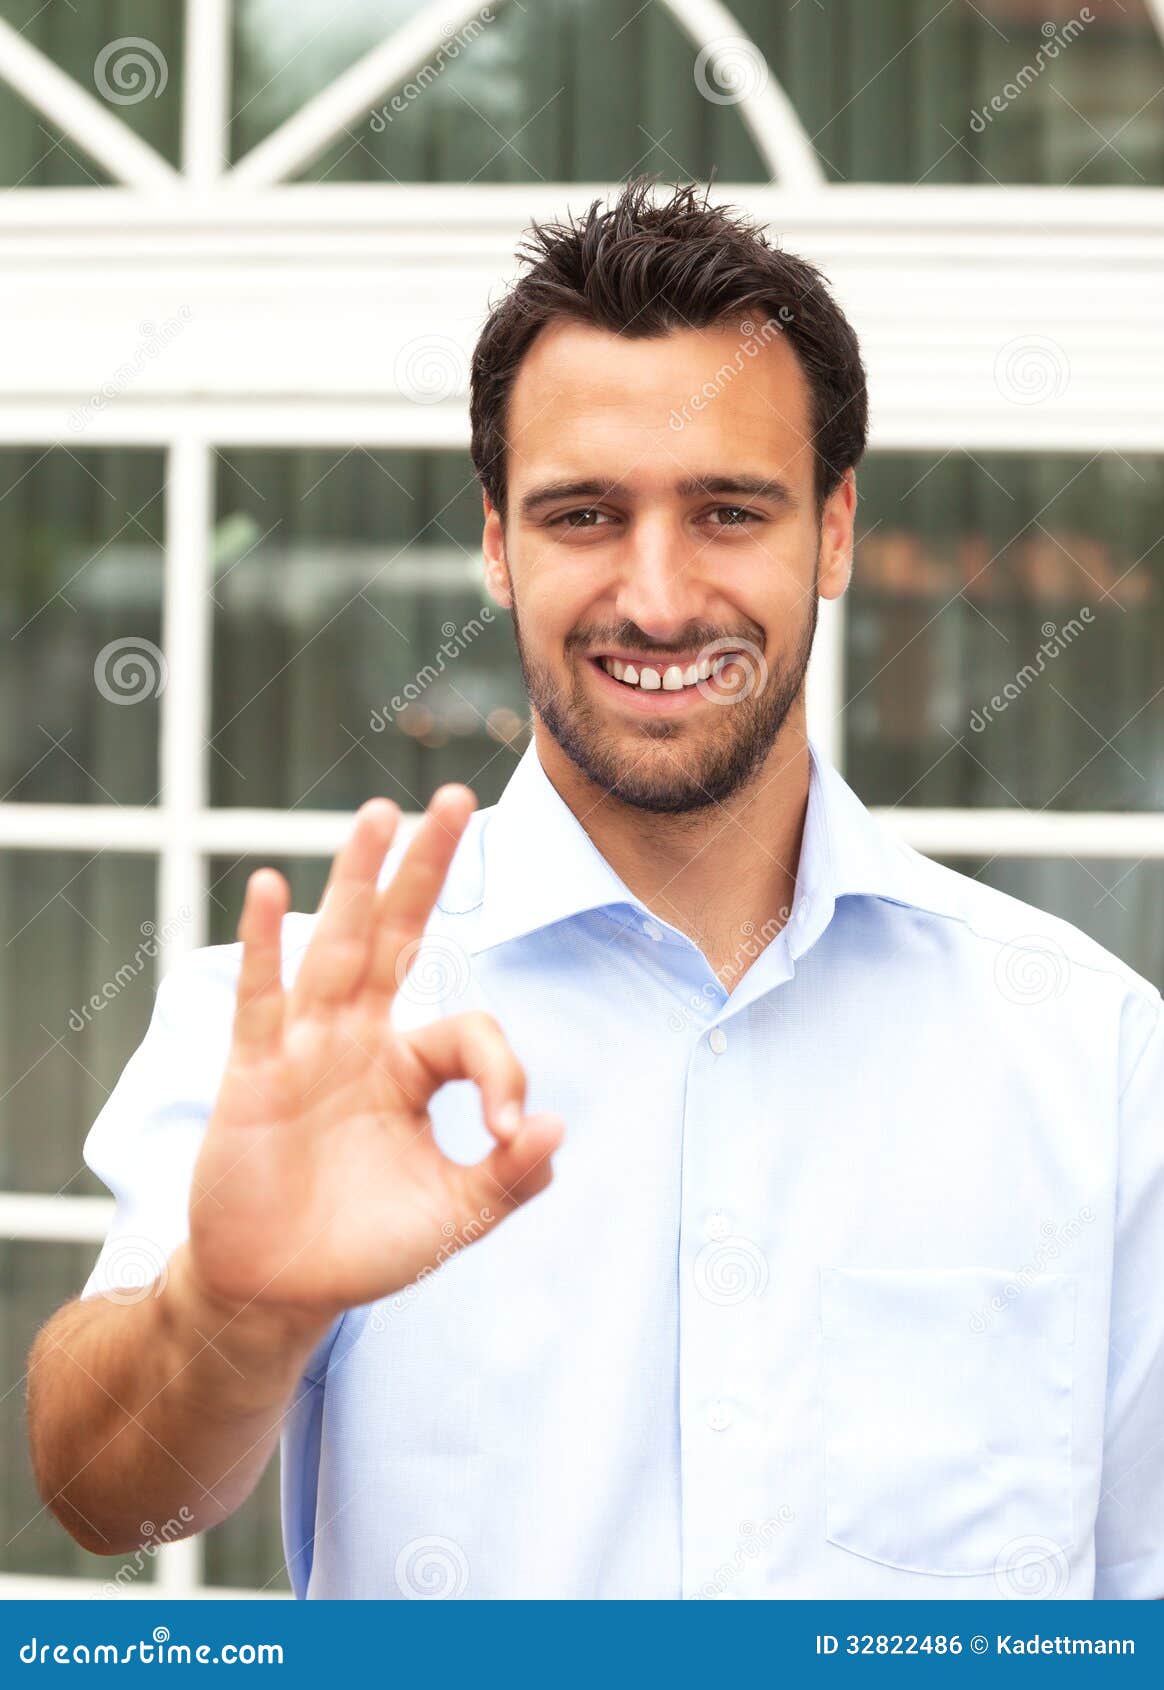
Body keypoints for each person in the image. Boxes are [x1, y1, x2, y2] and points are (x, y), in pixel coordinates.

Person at [27, 178, 1164, 1601]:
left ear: (837, 530)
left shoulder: (1089, 1048)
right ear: (498, 548)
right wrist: (236, 1312)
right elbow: (99, 1488)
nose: (660, 594)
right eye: (583, 514)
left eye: (729, 509)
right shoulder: (313, 1029)